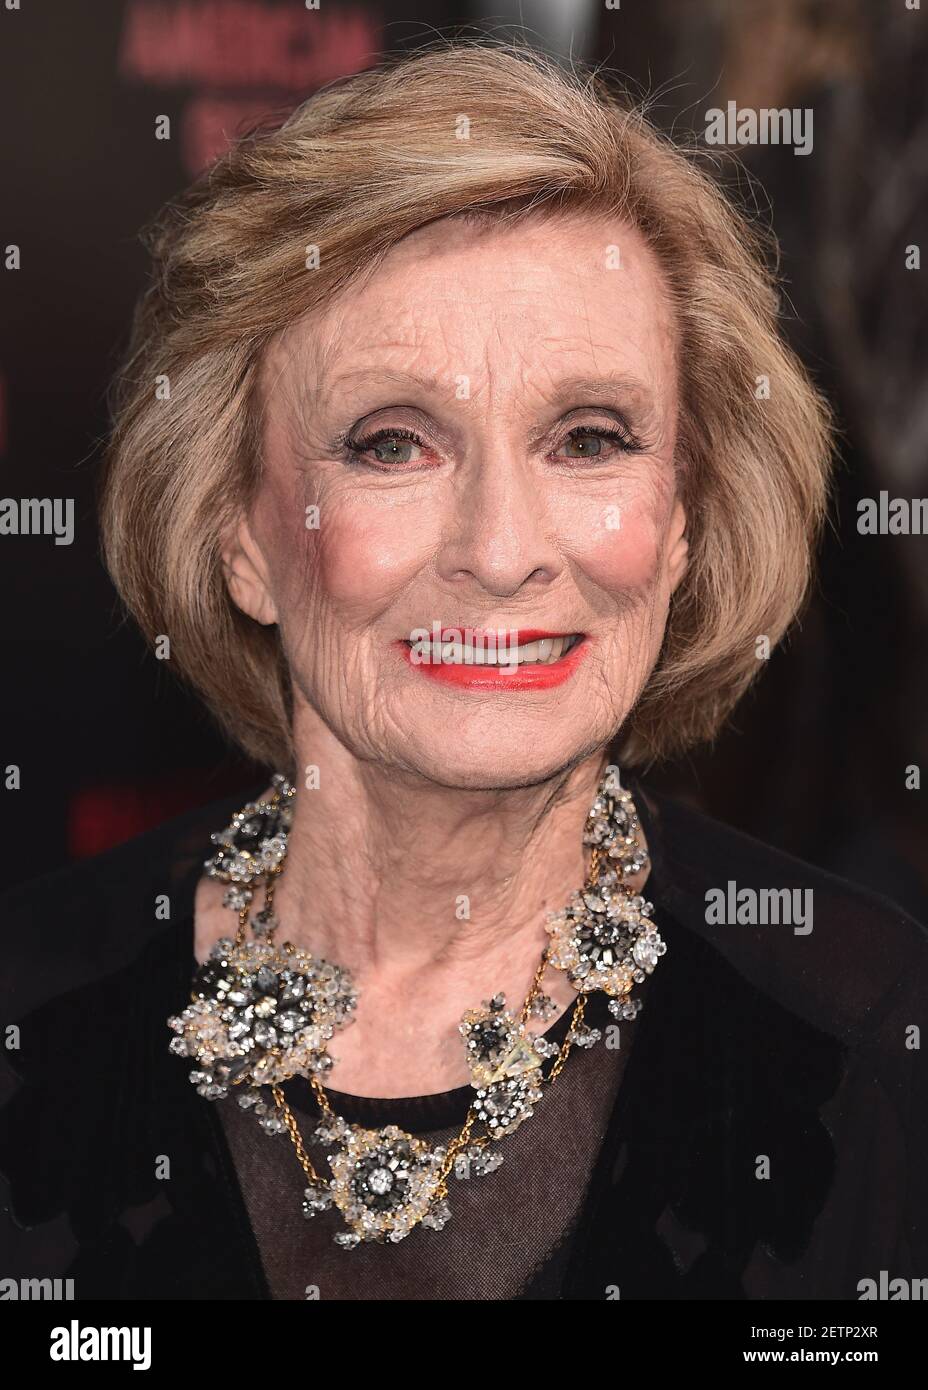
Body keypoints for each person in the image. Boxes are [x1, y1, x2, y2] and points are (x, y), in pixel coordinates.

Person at [1, 39, 925, 1301]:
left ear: (688, 521)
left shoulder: (869, 1047)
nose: (500, 553)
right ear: (239, 538)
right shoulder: (33, 1010)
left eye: (589, 438)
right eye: (392, 444)